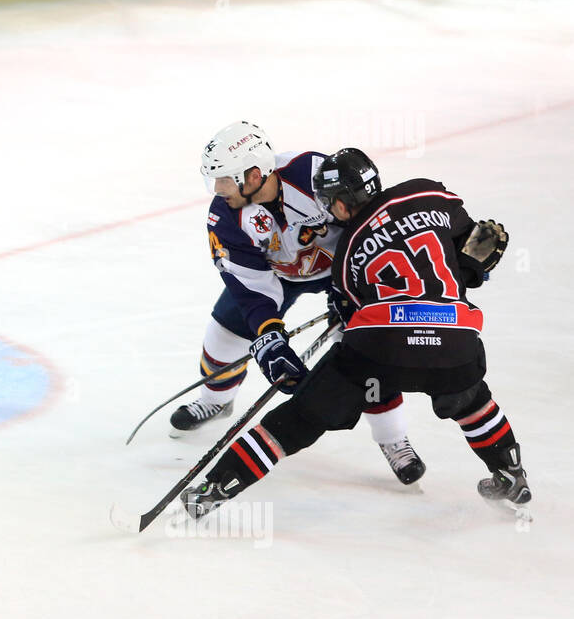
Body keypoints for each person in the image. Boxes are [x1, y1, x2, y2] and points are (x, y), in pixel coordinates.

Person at [183, 147, 528, 519]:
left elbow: (360, 309)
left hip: (381, 349)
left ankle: (215, 486)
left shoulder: (346, 250)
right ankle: (511, 473)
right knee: (472, 401)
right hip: (455, 341)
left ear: (342, 206)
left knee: (302, 417)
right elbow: (475, 242)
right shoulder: (426, 194)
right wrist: (473, 270)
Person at [174, 122, 425, 484]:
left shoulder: (314, 175)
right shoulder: (226, 216)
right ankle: (218, 397)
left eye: (225, 179)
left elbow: (366, 222)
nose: (217, 189)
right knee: (226, 332)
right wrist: (268, 334)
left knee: (365, 349)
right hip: (278, 276)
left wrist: (357, 289)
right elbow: (250, 284)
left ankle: (393, 439)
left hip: (342, 271)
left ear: (255, 174)